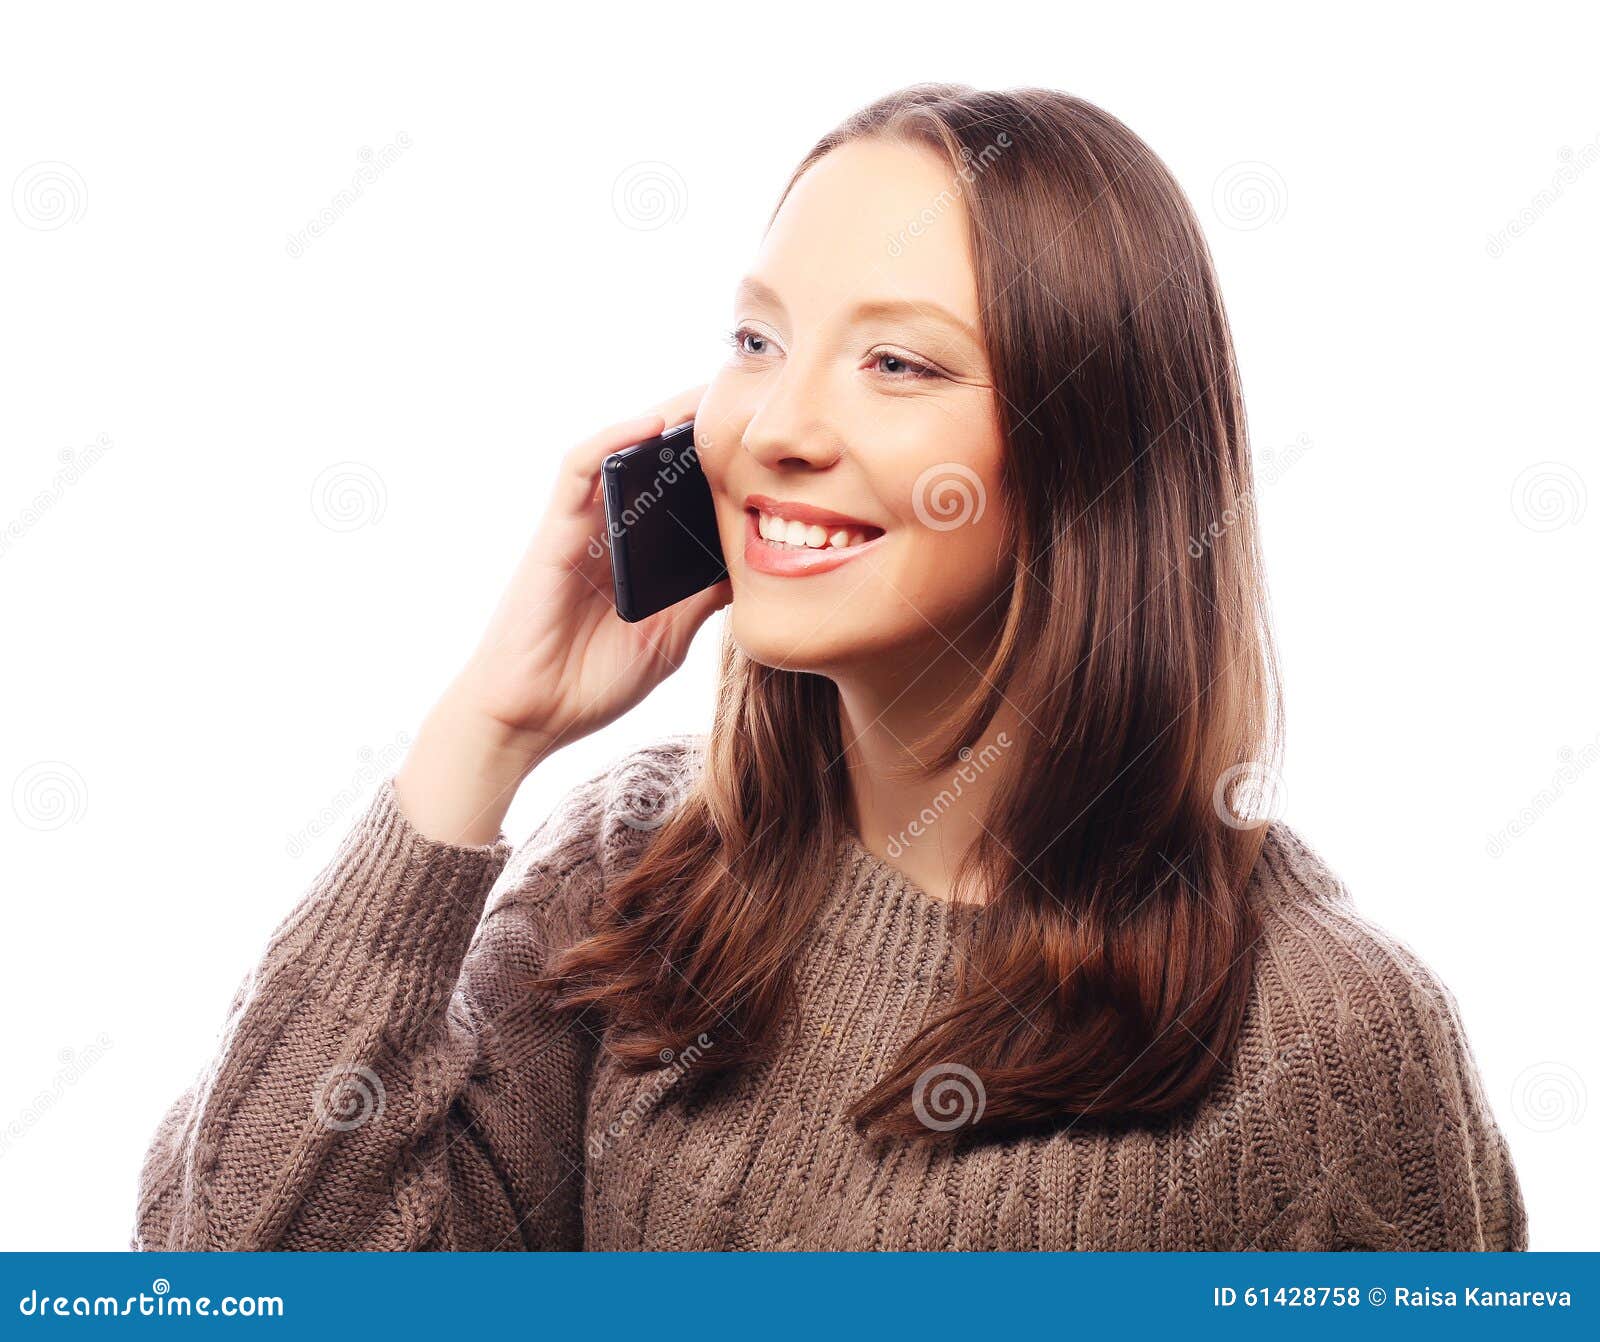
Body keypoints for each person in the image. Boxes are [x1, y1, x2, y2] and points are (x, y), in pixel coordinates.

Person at [134, 83, 1527, 1252]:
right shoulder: (629, 879)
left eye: (898, 364)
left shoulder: (1331, 1037)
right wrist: (484, 732)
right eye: (757, 340)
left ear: (1086, 459)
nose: (778, 424)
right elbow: (235, 1278)